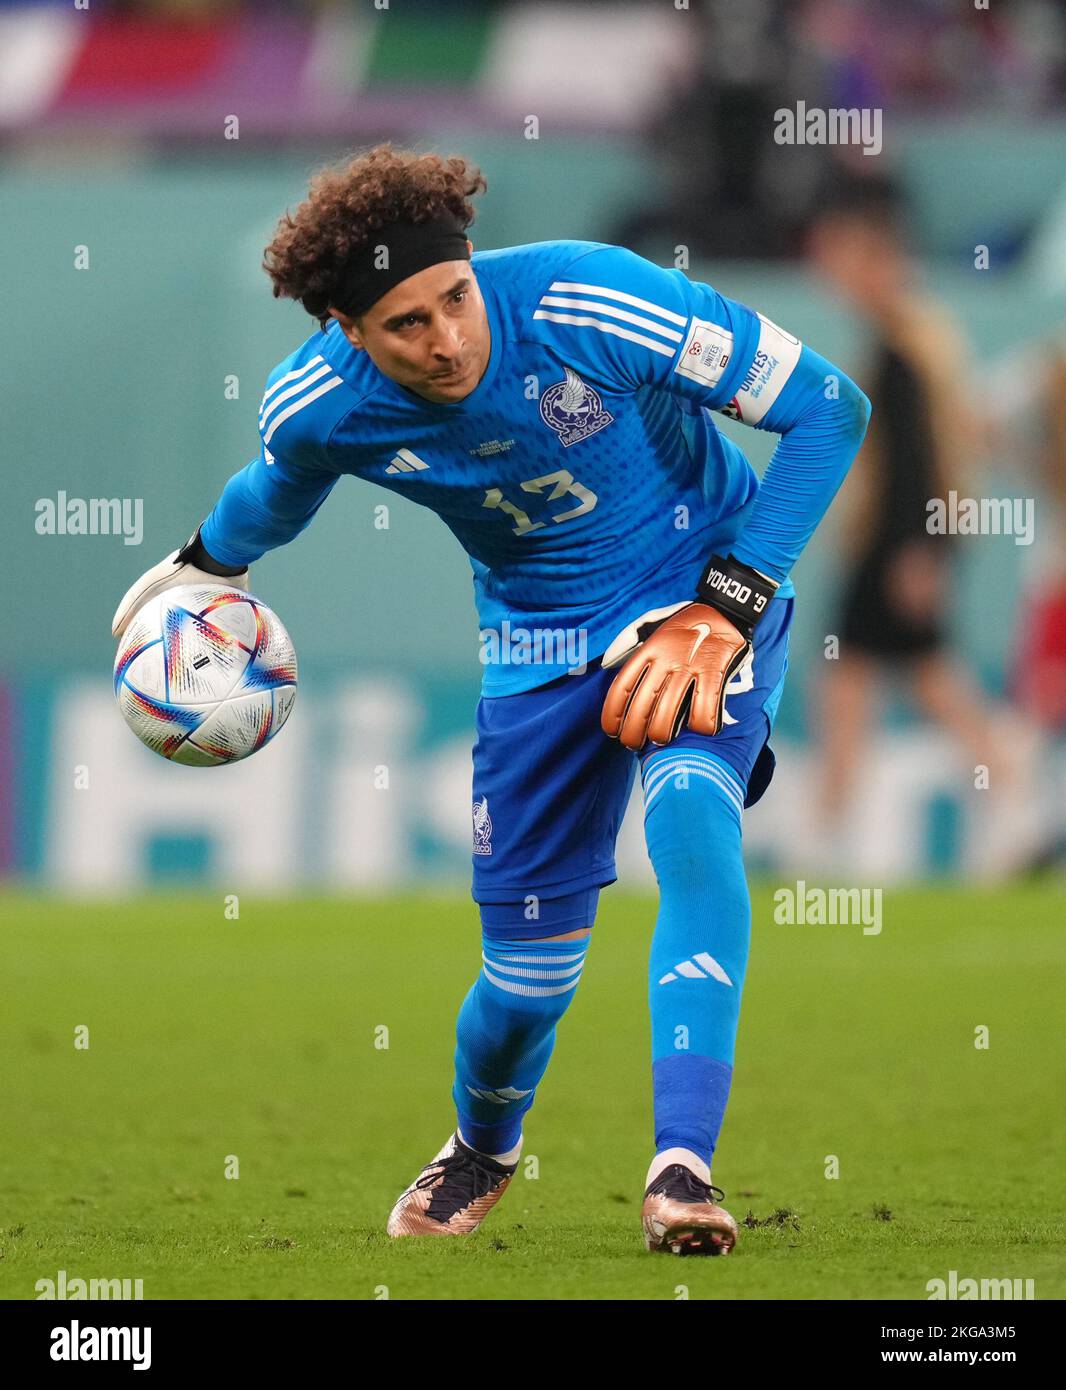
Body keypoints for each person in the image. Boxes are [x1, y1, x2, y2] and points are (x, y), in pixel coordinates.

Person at [112, 144, 869, 1256]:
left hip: (693, 589)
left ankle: (681, 1168)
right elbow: (273, 489)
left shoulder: (593, 297)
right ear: (344, 327)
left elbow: (828, 409)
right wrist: (202, 566)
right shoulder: (323, 404)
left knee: (694, 821)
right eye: (406, 324)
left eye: (455, 299)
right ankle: (483, 1145)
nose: (448, 339)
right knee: (523, 985)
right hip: (535, 642)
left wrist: (729, 603)